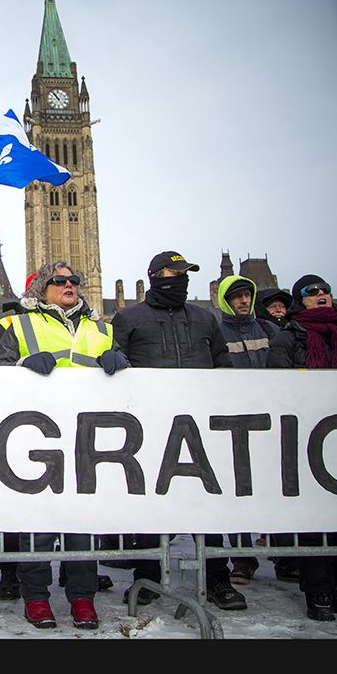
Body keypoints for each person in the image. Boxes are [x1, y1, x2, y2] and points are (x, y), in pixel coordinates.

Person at [0, 260, 129, 630]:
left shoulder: (100, 327)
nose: (70, 284)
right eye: (60, 280)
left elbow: (126, 382)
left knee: (81, 525)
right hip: (35, 439)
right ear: (42, 289)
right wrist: (22, 363)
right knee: (37, 525)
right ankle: (36, 599)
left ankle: (82, 598)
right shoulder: (18, 324)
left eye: (74, 280)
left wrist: (123, 363)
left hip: (85, 441)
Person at [110, 251, 246, 612]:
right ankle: (149, 577)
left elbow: (223, 365)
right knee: (151, 507)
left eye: (186, 272)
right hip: (151, 427)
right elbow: (116, 367)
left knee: (209, 506)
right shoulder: (128, 318)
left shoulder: (205, 317)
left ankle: (218, 578)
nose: (182, 277)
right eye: (175, 271)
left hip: (201, 426)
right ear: (155, 275)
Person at [267, 273, 337, 621]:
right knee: (312, 515)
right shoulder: (288, 336)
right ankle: (318, 589)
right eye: (312, 292)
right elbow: (275, 382)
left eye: (325, 290)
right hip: (303, 431)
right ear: (301, 300)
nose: (321, 294)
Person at [216, 275, 281, 585]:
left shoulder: (270, 330)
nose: (243, 301)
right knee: (236, 491)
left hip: (270, 418)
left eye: (247, 295)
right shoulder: (215, 331)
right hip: (233, 420)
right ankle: (243, 558)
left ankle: (285, 555)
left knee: (279, 486)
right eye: (236, 296)